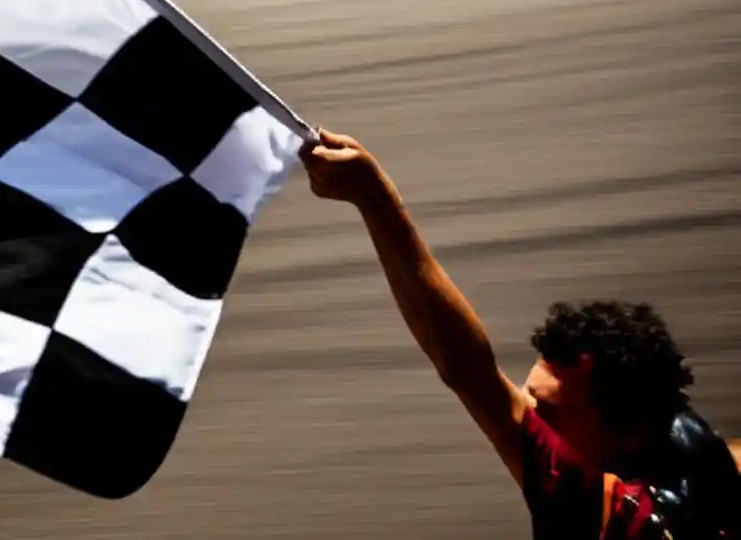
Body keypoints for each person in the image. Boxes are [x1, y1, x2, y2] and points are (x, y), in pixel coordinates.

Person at [298, 127, 741, 539]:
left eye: (549, 412)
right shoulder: (713, 464)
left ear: (627, 432)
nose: (526, 412)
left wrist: (376, 198)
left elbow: (466, 370)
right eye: (532, 396)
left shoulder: (615, 517)